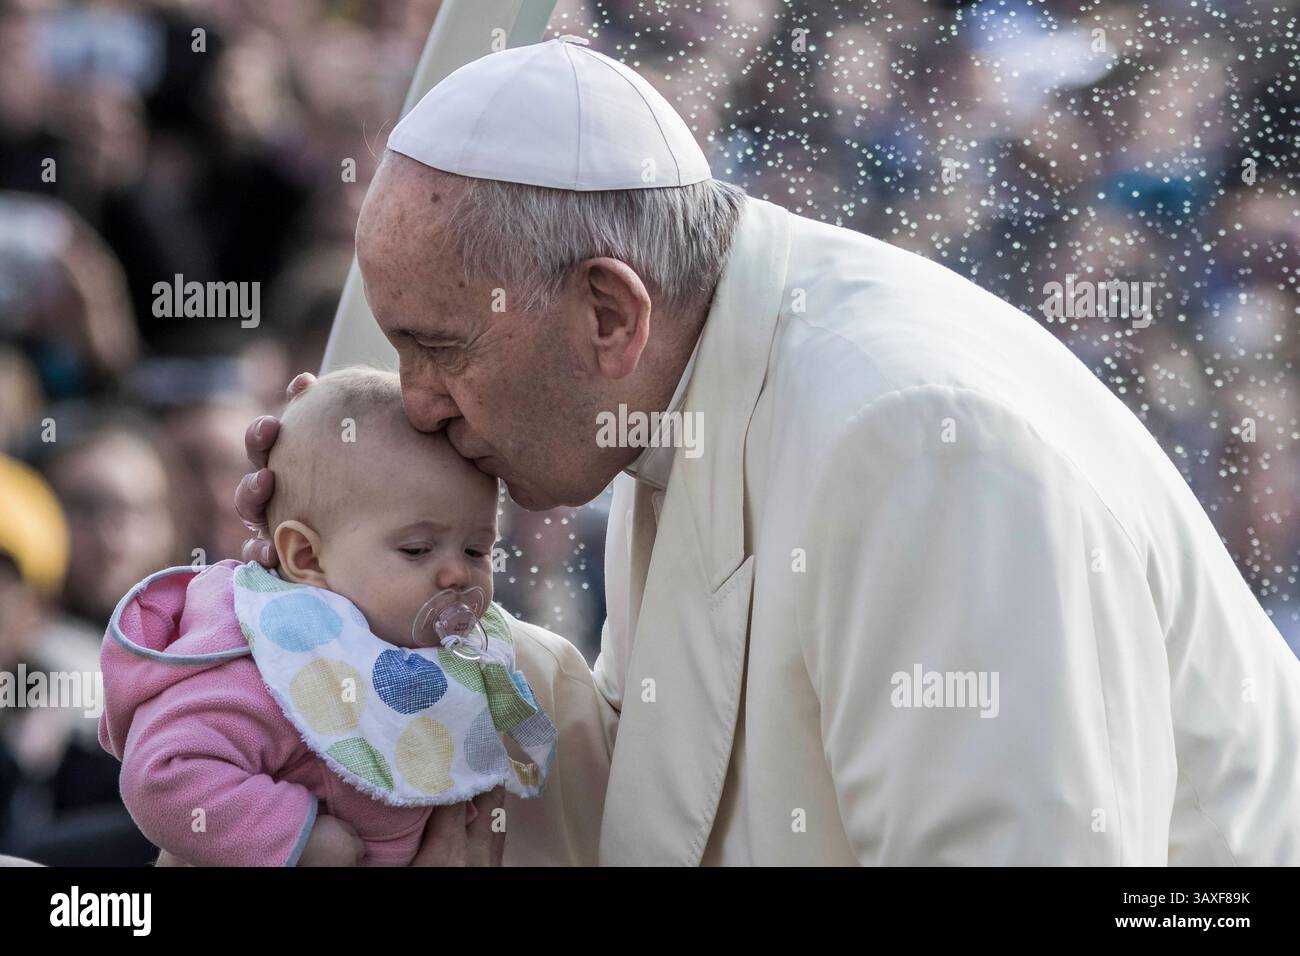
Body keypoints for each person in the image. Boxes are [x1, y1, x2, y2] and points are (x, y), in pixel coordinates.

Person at [235, 37, 1300, 865]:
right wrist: (364, 615)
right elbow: (675, 813)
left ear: (609, 311)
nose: (415, 404)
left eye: (438, 348)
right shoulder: (678, 389)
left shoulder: (919, 439)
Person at [100, 369, 611, 865]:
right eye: (416, 549)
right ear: (305, 557)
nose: (457, 573)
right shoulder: (270, 661)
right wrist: (296, 839)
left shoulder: (459, 655)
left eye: (478, 549)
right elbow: (164, 774)